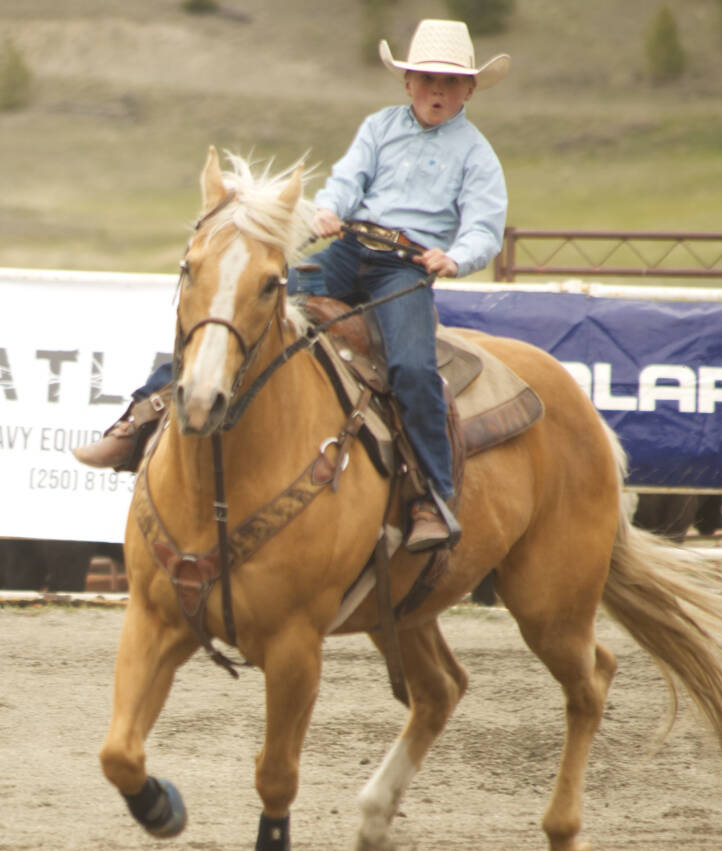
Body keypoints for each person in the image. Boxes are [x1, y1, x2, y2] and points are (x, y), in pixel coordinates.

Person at [74, 18, 510, 553]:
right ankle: (140, 417)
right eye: (425, 79)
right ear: (406, 84)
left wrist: (455, 257)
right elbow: (350, 179)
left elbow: (485, 228)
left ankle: (432, 498)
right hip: (349, 249)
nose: (435, 91)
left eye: (448, 82)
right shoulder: (379, 127)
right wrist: (329, 210)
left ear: (469, 89)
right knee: (238, 304)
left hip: (406, 266)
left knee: (411, 368)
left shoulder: (477, 154)